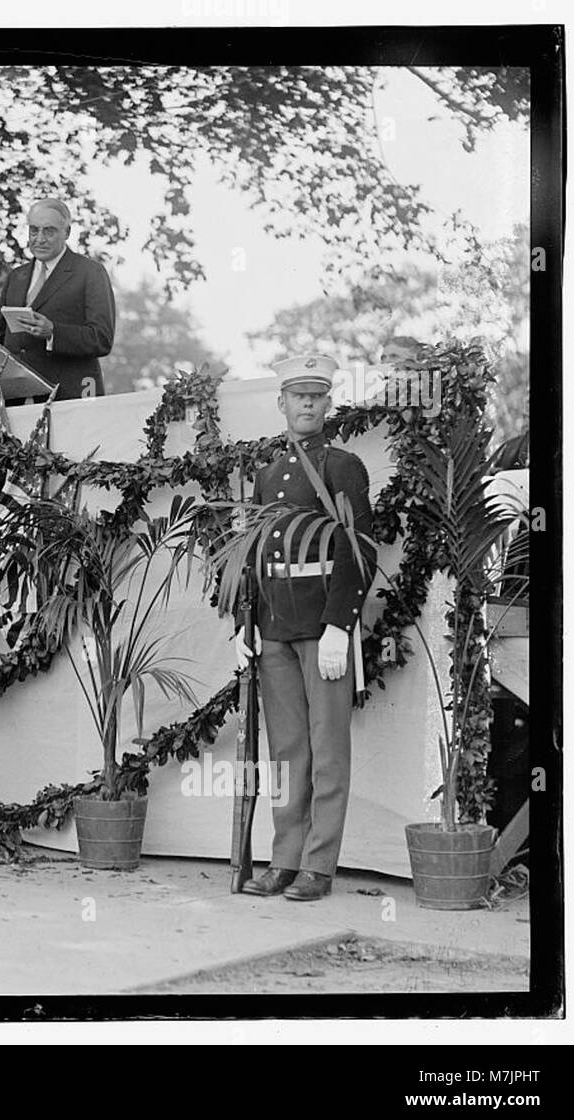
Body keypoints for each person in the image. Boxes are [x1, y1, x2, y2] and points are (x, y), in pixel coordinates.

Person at [235, 355, 376, 902]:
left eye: (317, 395)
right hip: (273, 625)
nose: (308, 404)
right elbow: (251, 553)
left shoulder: (343, 466)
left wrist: (340, 624)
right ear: (282, 403)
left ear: (329, 404)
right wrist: (246, 621)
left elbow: (357, 546)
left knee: (328, 747)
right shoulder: (268, 474)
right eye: (298, 395)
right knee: (287, 749)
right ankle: (285, 860)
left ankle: (319, 865)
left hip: (322, 625)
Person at [0, 197, 116, 402]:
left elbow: (102, 339)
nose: (39, 239)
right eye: (34, 230)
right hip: (14, 401)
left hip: (69, 396)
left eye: (49, 231)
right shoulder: (16, 276)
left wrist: (53, 332)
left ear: (67, 232)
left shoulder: (90, 272)